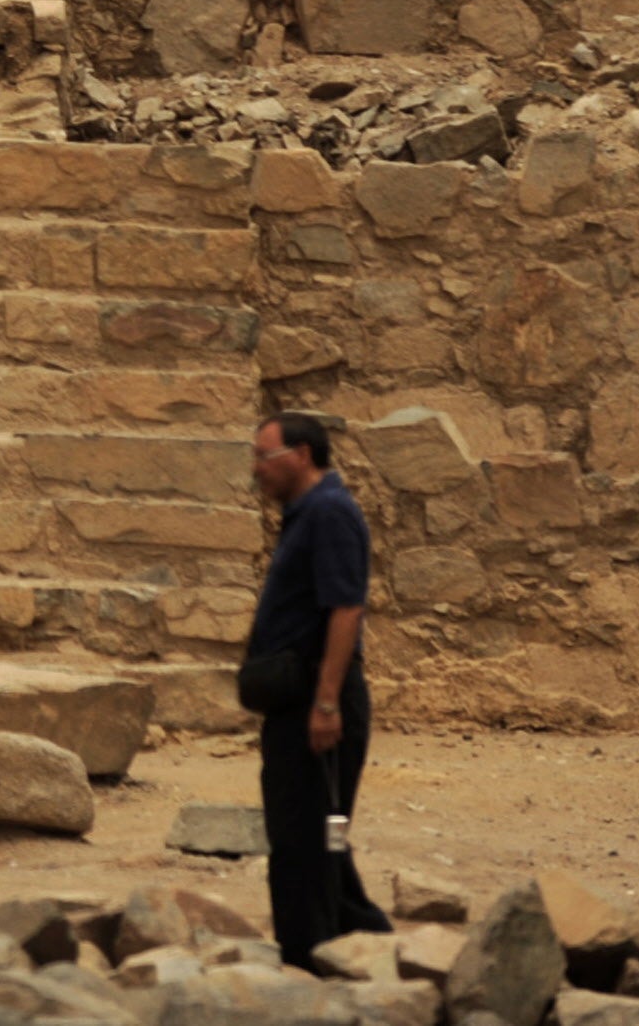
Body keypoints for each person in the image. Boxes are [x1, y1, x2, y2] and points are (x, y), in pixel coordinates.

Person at [244, 412, 390, 971]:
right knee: (317, 833)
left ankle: (309, 959)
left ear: (301, 455)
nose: (257, 468)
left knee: (307, 838)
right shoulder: (306, 513)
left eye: (265, 456)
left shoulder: (330, 513)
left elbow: (346, 609)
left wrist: (326, 702)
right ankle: (361, 940)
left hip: (318, 702)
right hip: (299, 702)